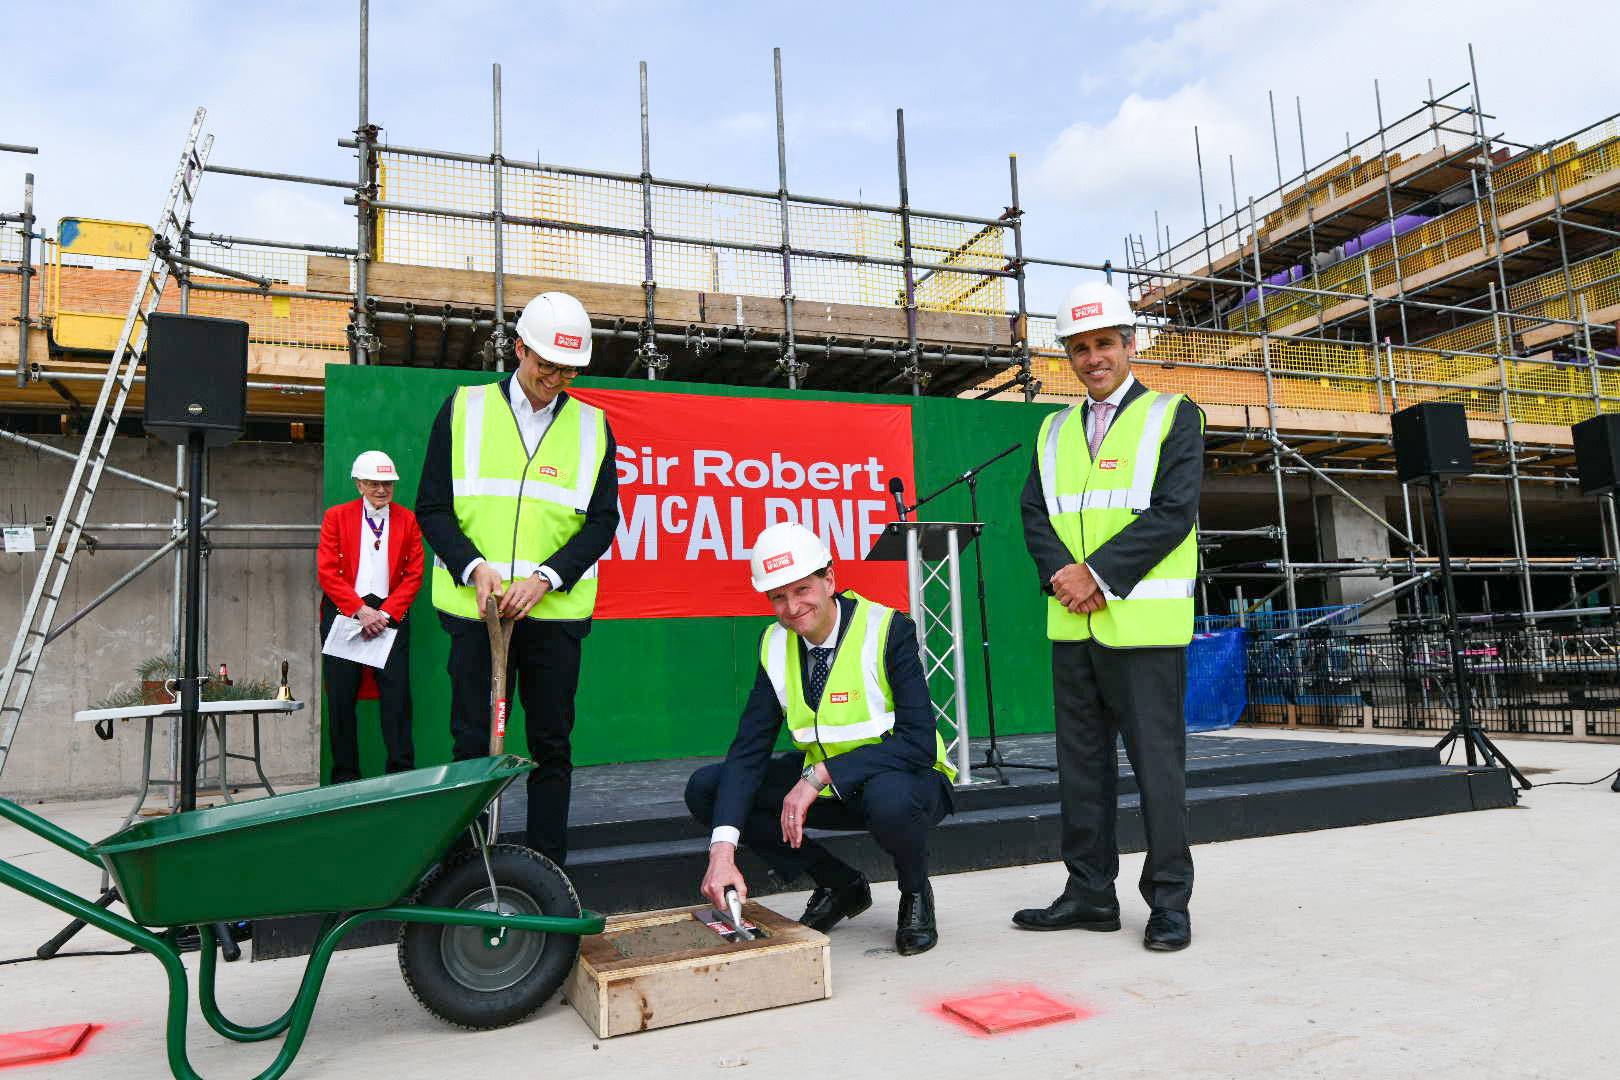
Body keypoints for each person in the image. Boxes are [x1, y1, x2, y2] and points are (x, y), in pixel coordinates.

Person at [1014, 280, 1204, 952]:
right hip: (1074, 627)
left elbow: (1173, 511)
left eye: (1104, 344)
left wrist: (1094, 574)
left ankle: (1169, 903)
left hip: (1144, 630)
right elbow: (1036, 513)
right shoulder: (1052, 429)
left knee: (1158, 772)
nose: (1093, 357)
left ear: (1129, 344)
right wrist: (1063, 578)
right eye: (1079, 348)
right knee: (1081, 770)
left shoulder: (1172, 414)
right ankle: (1090, 893)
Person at [684, 522, 956, 956]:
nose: (792, 607)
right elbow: (748, 752)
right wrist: (721, 851)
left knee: (890, 798)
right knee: (708, 788)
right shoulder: (774, 644)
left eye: (802, 590)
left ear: (829, 580)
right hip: (830, 787)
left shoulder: (887, 628)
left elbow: (919, 742)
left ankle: (915, 891)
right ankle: (840, 885)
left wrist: (819, 775)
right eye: (778, 597)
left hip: (907, 782)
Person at [416, 291, 619, 866]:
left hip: (554, 617)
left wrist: (547, 578)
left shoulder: (594, 427)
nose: (555, 379)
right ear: (519, 348)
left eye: (568, 371)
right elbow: (433, 507)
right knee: (472, 743)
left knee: (552, 746)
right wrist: (474, 567)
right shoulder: (464, 409)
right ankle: (468, 870)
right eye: (546, 365)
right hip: (474, 614)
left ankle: (547, 875)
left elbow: (602, 522)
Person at [316, 449, 424, 783]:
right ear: (359, 484)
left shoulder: (408, 519)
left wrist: (386, 613)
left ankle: (401, 775)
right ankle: (344, 778)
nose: (381, 490)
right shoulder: (336, 516)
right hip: (345, 615)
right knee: (340, 700)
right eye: (374, 483)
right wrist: (359, 610)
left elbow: (414, 574)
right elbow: (327, 571)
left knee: (397, 700)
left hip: (390, 619)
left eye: (387, 483)